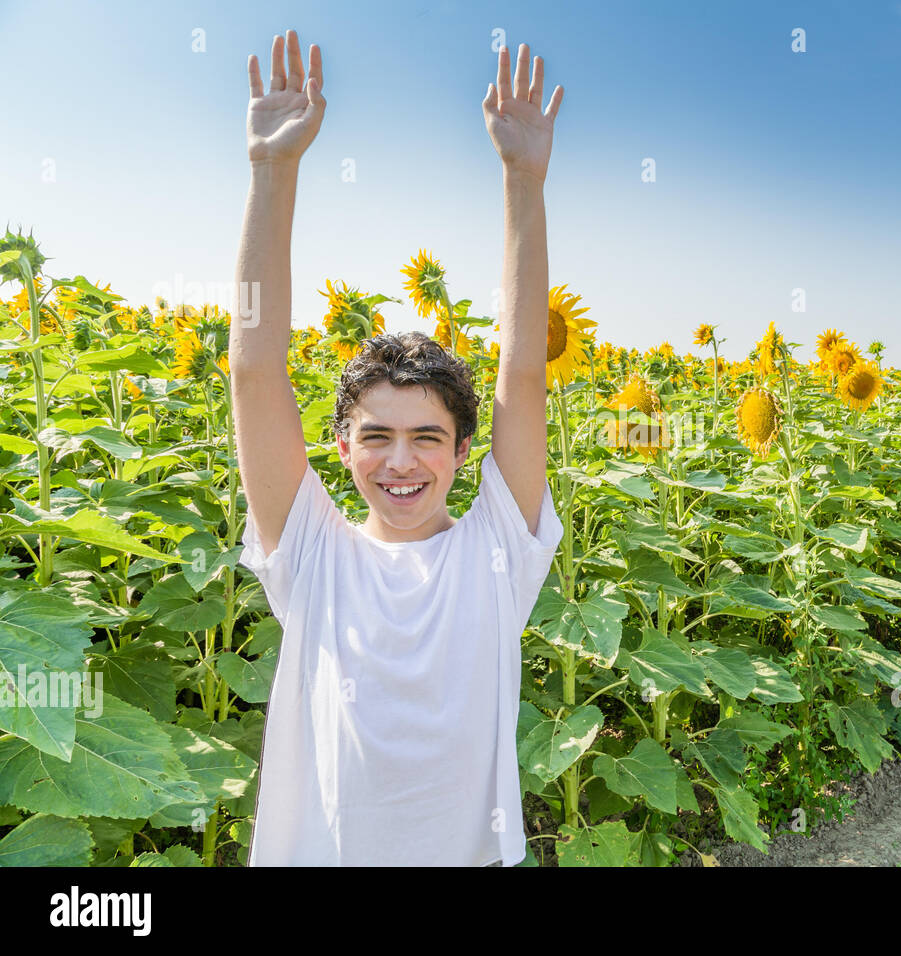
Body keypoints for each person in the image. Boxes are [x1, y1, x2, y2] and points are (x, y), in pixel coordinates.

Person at [230, 29, 565, 866]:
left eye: (427, 438)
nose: (402, 462)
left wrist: (523, 181)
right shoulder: (311, 555)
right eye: (375, 437)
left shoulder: (499, 552)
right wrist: (273, 171)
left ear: (462, 454)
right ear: (340, 449)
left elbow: (523, 375)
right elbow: (252, 369)